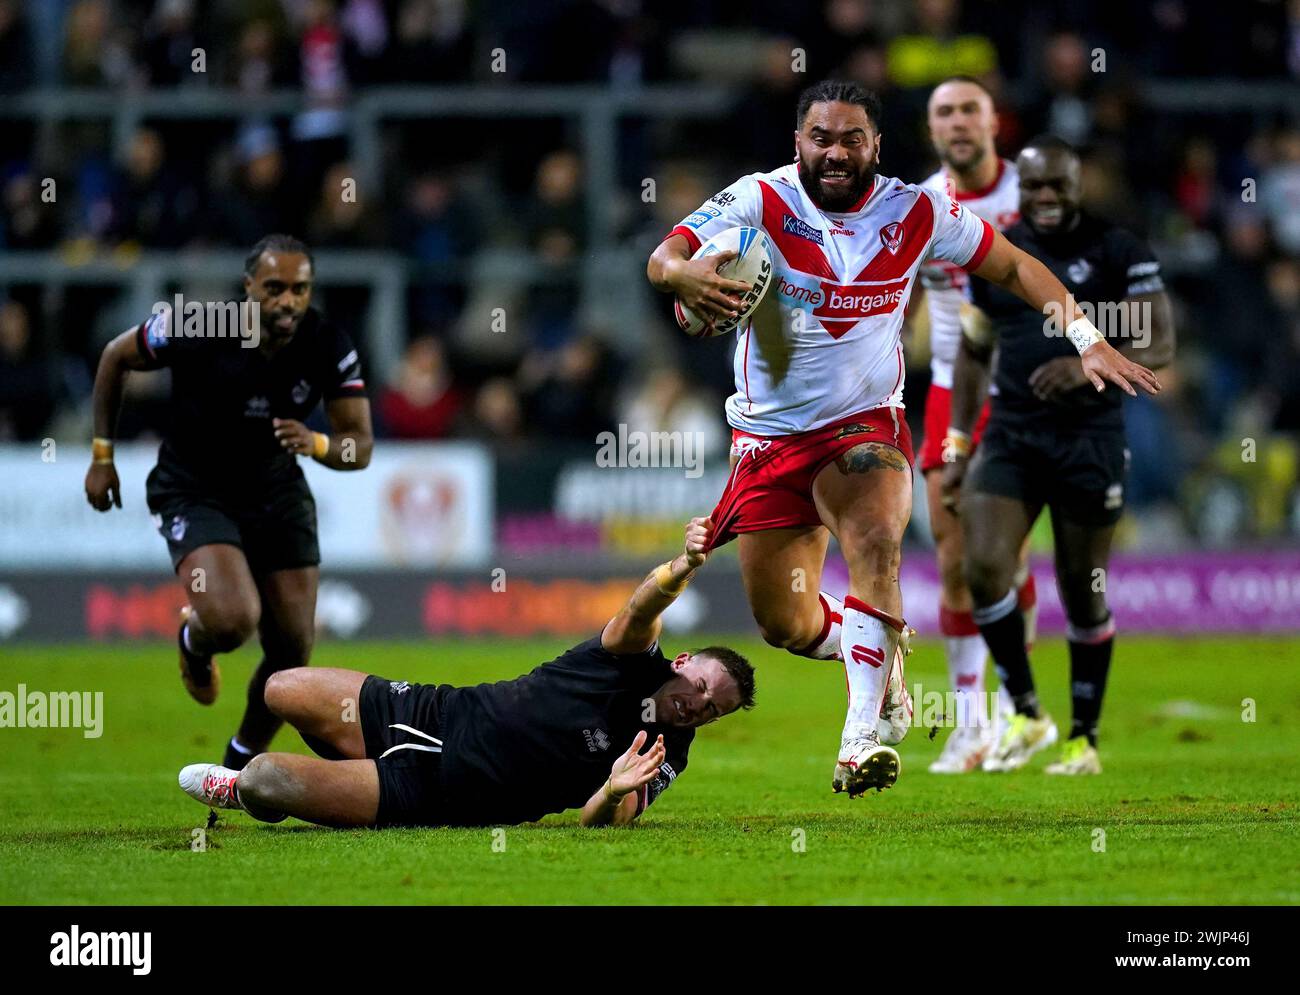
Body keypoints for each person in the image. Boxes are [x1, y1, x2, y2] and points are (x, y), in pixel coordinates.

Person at [647, 80, 1159, 797]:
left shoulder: (915, 211)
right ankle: (880, 656)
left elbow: (1014, 265)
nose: (835, 152)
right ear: (798, 143)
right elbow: (662, 257)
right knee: (784, 622)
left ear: (876, 146)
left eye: (851, 139)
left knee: (877, 544)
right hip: (767, 438)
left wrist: (1087, 338)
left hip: (864, 425)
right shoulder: (760, 199)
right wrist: (683, 276)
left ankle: (860, 739)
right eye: (821, 138)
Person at [177, 518, 756, 828]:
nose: (698, 706)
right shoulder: (630, 655)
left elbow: (599, 818)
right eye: (702, 688)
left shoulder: (666, 753)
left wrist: (611, 791)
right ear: (683, 662)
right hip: (436, 710)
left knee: (263, 781)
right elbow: (642, 608)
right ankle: (337, 770)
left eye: (713, 710)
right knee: (281, 689)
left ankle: (272, 790)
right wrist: (683, 566)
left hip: (439, 791)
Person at [84, 234, 373, 772]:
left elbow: (359, 447)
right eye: (274, 288)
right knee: (232, 619)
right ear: (248, 287)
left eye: (300, 289)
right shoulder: (198, 324)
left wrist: (316, 444)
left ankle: (240, 762)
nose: (288, 301)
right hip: (194, 489)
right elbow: (115, 356)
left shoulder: (327, 343)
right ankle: (195, 641)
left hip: (276, 493)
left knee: (292, 648)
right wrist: (103, 455)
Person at [942, 136, 1175, 774]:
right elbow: (973, 351)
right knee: (983, 566)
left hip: (1088, 440)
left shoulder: (1119, 249)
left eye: (1058, 185)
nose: (1045, 197)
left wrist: (1084, 365)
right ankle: (1026, 712)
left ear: (1079, 185)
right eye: (1034, 186)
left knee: (1082, 591)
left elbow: (1159, 341)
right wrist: (958, 444)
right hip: (1011, 436)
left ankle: (1083, 738)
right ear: (1019, 189)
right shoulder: (1001, 251)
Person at [911, 76, 1036, 774]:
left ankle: (1019, 709)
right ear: (932, 130)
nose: (958, 122)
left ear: (994, 122)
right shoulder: (917, 206)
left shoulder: (1034, 195)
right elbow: (892, 299)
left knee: (1004, 558)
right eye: (945, 113)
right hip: (947, 390)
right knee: (954, 557)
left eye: (969, 109)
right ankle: (970, 722)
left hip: (1020, 391)